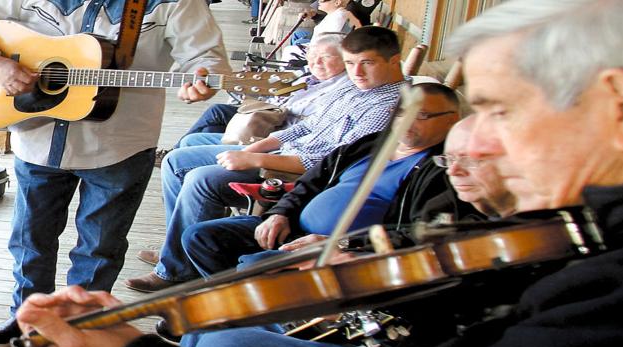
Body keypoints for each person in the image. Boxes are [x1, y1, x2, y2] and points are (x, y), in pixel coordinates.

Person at [16, 0, 623, 347]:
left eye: (496, 110)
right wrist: (396, 266)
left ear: (621, 109)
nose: (471, 141)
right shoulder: (593, 233)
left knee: (226, 341)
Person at [89, 109, 533, 347]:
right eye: (450, 159)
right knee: (207, 317)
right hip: (373, 318)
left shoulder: (532, 241)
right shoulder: (464, 211)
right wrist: (350, 250)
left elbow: (463, 320)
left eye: (475, 160)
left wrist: (375, 281)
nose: (455, 170)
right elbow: (408, 237)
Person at [0, 0, 228, 347]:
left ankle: (80, 331)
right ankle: (27, 317)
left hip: (119, 144)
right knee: (30, 238)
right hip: (36, 135)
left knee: (99, 246)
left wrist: (203, 78)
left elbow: (206, 57)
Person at [129, 24, 404, 292]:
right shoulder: (354, 87)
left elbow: (330, 164)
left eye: (367, 63)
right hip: (281, 153)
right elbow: (306, 127)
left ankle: (176, 270)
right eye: (350, 63)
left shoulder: (389, 105)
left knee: (200, 179)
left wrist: (257, 161)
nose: (356, 72)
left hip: (293, 173)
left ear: (394, 61)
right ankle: (177, 253)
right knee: (176, 161)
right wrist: (255, 149)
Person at [180, 83, 460, 278]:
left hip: (342, 255)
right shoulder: (371, 144)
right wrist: (280, 213)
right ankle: (238, 317)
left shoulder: (443, 171)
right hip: (292, 228)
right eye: (400, 113)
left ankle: (242, 320)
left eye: (421, 115)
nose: (406, 122)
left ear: (452, 119)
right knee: (200, 238)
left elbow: (422, 233)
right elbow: (311, 181)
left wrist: (343, 243)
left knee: (252, 267)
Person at [173, 33, 349, 148]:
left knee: (204, 131)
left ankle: (180, 154)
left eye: (326, 57)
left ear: (345, 59)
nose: (316, 62)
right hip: (266, 116)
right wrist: (242, 87)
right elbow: (273, 85)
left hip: (276, 129)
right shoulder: (308, 73)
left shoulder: (340, 88)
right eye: (313, 55)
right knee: (213, 121)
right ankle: (182, 155)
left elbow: (300, 119)